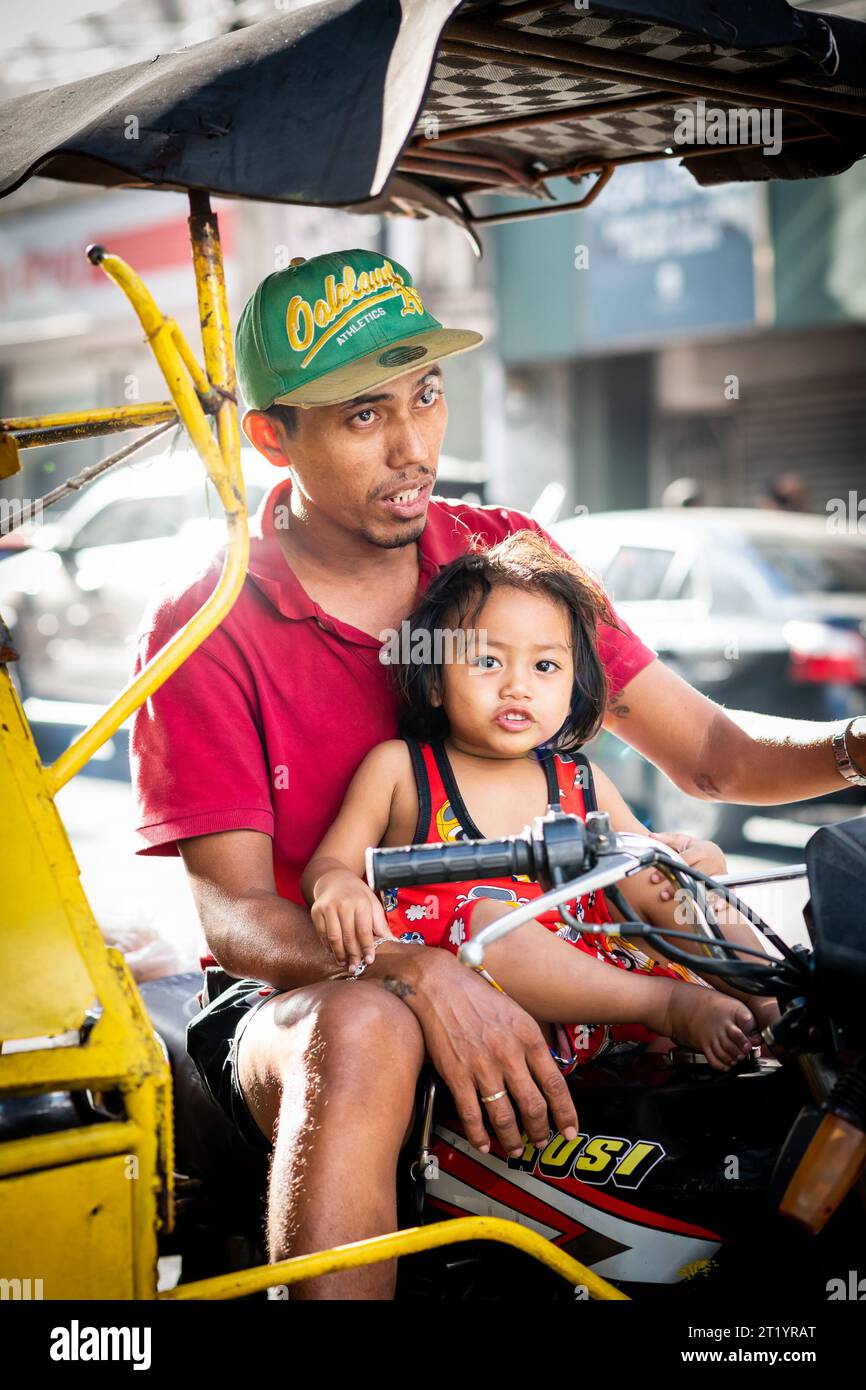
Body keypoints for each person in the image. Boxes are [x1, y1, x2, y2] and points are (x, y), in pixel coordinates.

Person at [131, 247, 866, 1298]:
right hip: (298, 1004)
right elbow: (236, 916)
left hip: (544, 953)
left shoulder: (505, 560)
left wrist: (851, 748)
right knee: (367, 1025)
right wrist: (409, 967)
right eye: (360, 416)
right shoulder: (206, 623)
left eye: (425, 397)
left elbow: (710, 757)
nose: (411, 445)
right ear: (270, 436)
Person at [301, 531, 774, 1075]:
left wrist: (691, 860)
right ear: (434, 683)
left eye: (544, 667)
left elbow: (644, 863)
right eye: (487, 662)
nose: (517, 687)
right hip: (486, 988)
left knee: (660, 877)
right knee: (491, 923)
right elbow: (330, 862)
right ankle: (669, 1006)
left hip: (597, 974)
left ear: (575, 685)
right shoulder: (401, 770)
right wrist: (335, 883)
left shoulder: (580, 778)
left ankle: (771, 1002)